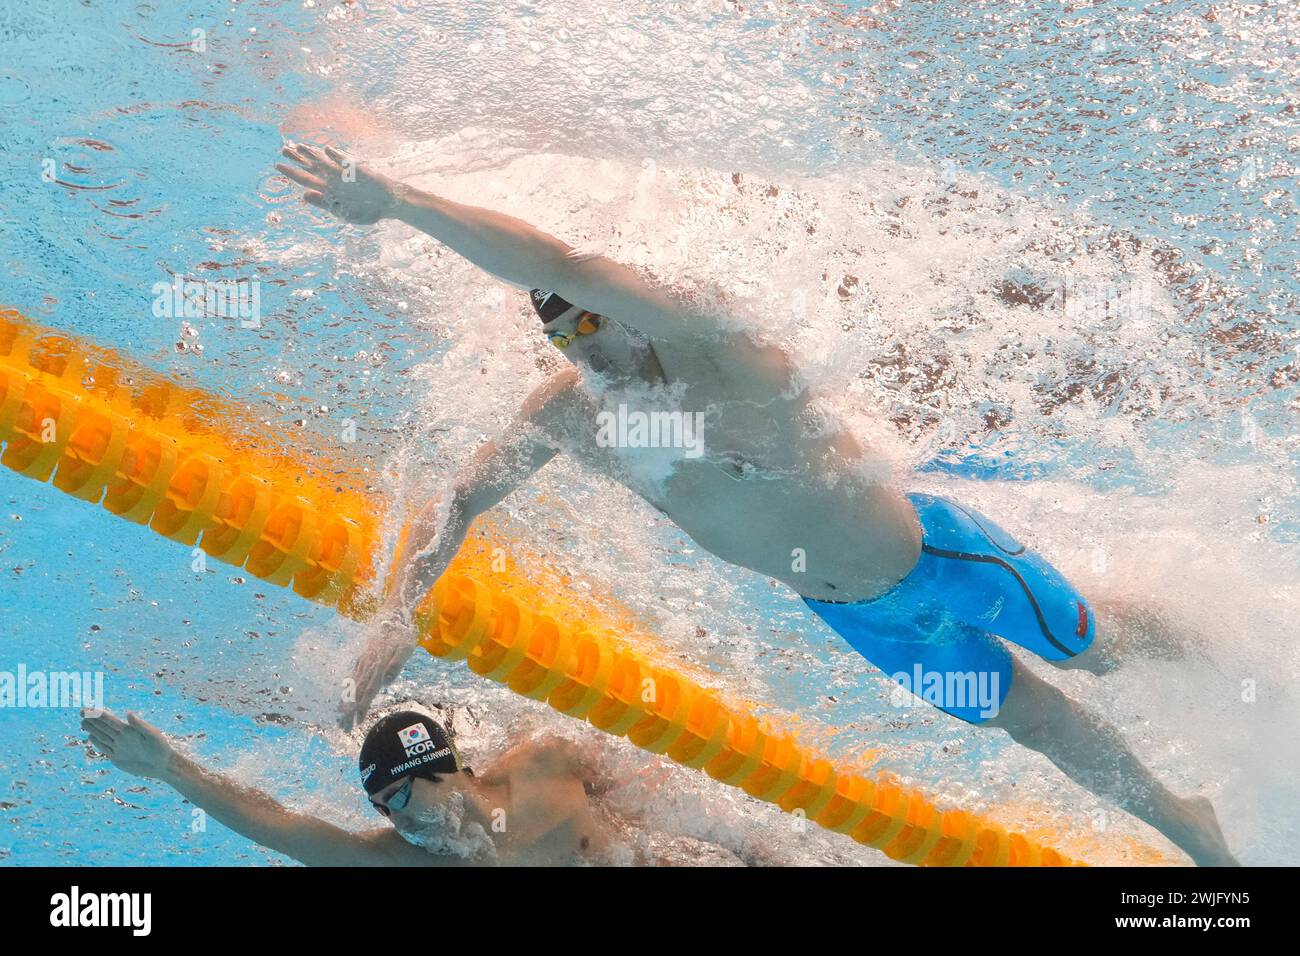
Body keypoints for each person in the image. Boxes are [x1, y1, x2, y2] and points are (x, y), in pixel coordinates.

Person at [275, 143, 1237, 866]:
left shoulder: (717, 349)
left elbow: (555, 257)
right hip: (860, 620)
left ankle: (1216, 640)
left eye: (590, 319)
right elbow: (462, 501)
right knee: (1031, 723)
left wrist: (400, 202)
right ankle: (1191, 830)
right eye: (563, 335)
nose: (583, 347)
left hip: (940, 560)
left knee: (1093, 650)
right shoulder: (581, 417)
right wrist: (396, 613)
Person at [80, 707, 626, 866]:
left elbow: (636, 791)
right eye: (385, 810)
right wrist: (170, 768)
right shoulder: (400, 862)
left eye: (403, 796)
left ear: (445, 769)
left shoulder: (549, 762)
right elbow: (281, 828)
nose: (400, 821)